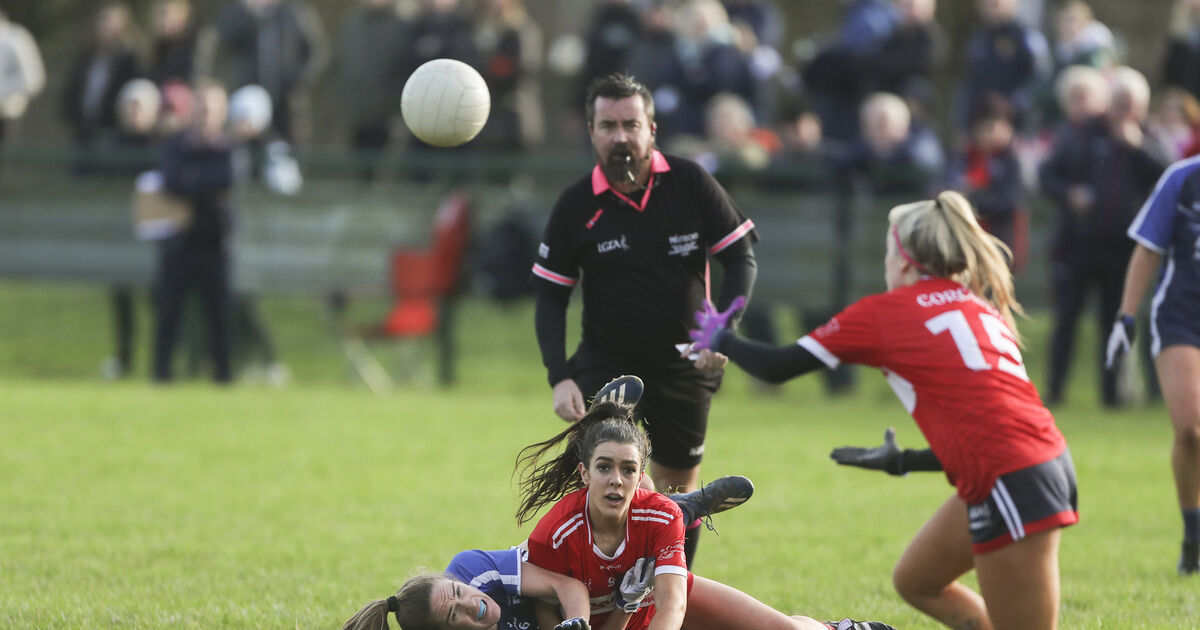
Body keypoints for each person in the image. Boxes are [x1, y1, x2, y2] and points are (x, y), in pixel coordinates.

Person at [687, 190, 1079, 630]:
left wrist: (721, 339)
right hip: (1040, 462)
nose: (886, 263)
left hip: (1010, 478)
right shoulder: (977, 305)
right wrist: (905, 461)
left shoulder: (886, 313)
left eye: (888, 253)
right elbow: (992, 426)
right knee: (918, 580)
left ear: (906, 261)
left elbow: (779, 367)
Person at [531, 72, 758, 568]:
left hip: (686, 362)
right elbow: (550, 298)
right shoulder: (575, 205)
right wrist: (559, 375)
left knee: (682, 491)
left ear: (651, 128)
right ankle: (609, 593)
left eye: (630, 124)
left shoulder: (691, 183)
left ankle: (672, 597)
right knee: (609, 478)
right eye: (608, 125)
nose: (620, 136)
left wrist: (723, 330)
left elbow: (740, 258)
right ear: (591, 131)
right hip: (605, 364)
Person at [515, 401, 897, 630]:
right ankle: (688, 505)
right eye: (603, 468)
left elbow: (672, 603)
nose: (616, 480)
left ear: (641, 474)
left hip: (652, 605)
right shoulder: (556, 531)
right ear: (584, 473)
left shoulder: (660, 517)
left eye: (629, 470)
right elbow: (544, 608)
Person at [1106, 152, 1200, 575]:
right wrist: (1126, 316)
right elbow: (1147, 249)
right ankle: (1193, 533)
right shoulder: (1183, 178)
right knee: (1191, 427)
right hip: (1181, 314)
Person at [152, 80, 236, 384]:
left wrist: (191, 184)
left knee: (219, 317)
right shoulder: (174, 146)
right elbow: (171, 181)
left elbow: (226, 180)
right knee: (168, 313)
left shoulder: (229, 150)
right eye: (200, 109)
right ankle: (160, 377)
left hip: (215, 244)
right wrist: (204, 186)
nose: (205, 115)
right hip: (178, 244)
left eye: (211, 110)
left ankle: (224, 379)